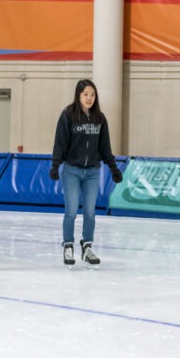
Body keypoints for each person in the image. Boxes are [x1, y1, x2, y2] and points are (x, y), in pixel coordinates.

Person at [49, 79, 123, 268]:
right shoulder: (68, 115)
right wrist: (55, 166)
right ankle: (68, 246)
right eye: (85, 94)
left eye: (92, 94)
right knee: (71, 211)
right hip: (72, 171)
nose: (89, 98)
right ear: (78, 95)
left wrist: (113, 168)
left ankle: (87, 247)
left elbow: (105, 147)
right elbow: (60, 143)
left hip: (92, 172)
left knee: (90, 212)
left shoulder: (100, 118)